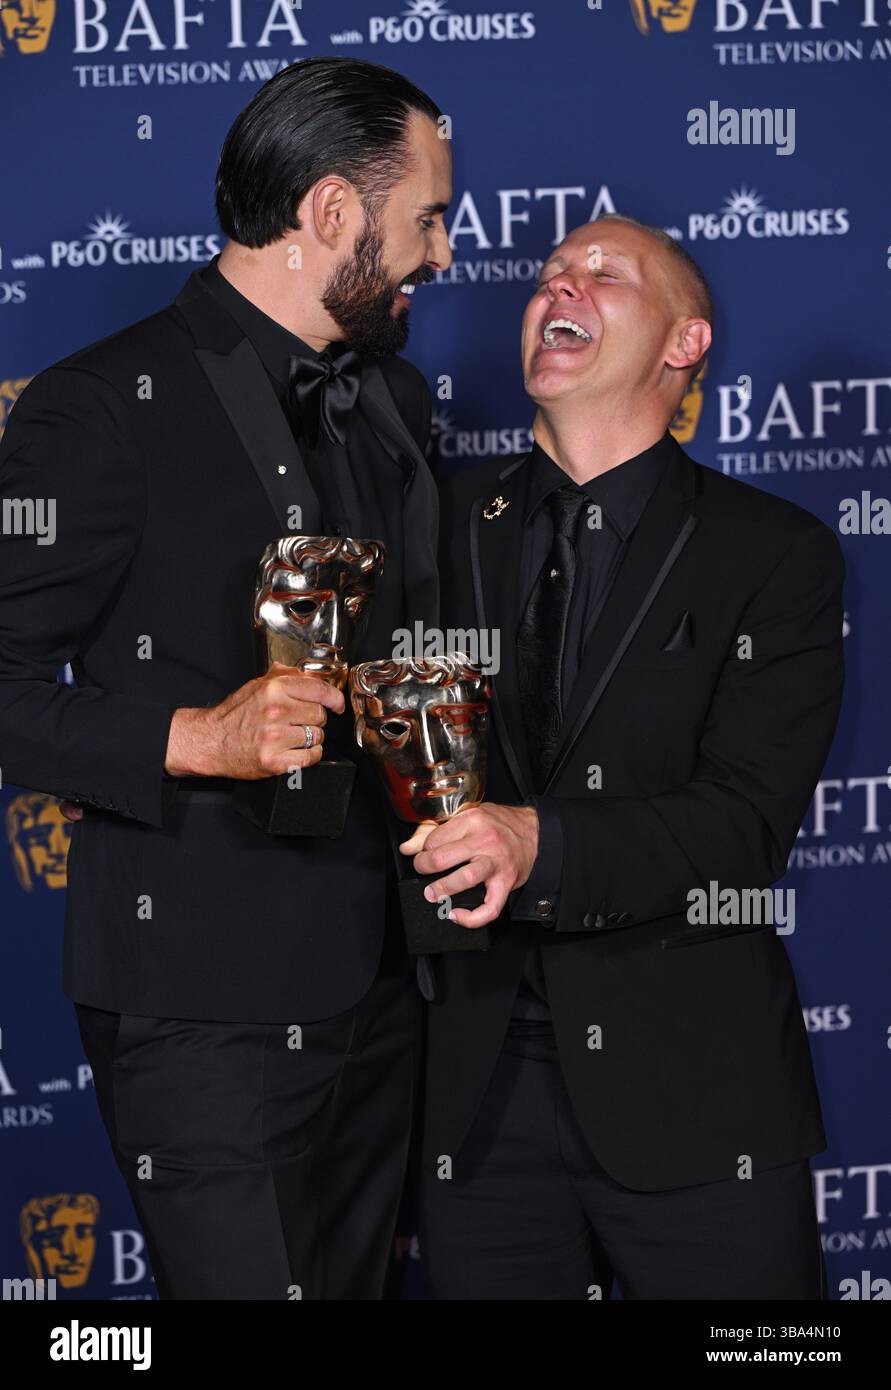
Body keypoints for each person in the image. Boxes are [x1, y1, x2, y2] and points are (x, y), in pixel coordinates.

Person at [0, 56, 452, 1300]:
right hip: (197, 1008)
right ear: (330, 214)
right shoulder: (99, 408)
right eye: (426, 218)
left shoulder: (395, 401)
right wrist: (197, 736)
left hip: (381, 986)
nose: (444, 255)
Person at [410, 214, 843, 1299]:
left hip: (702, 1101)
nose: (562, 283)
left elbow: (742, 825)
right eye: (551, 272)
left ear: (683, 344)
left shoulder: (774, 554)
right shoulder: (434, 530)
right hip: (478, 1103)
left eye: (605, 274)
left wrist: (539, 843)